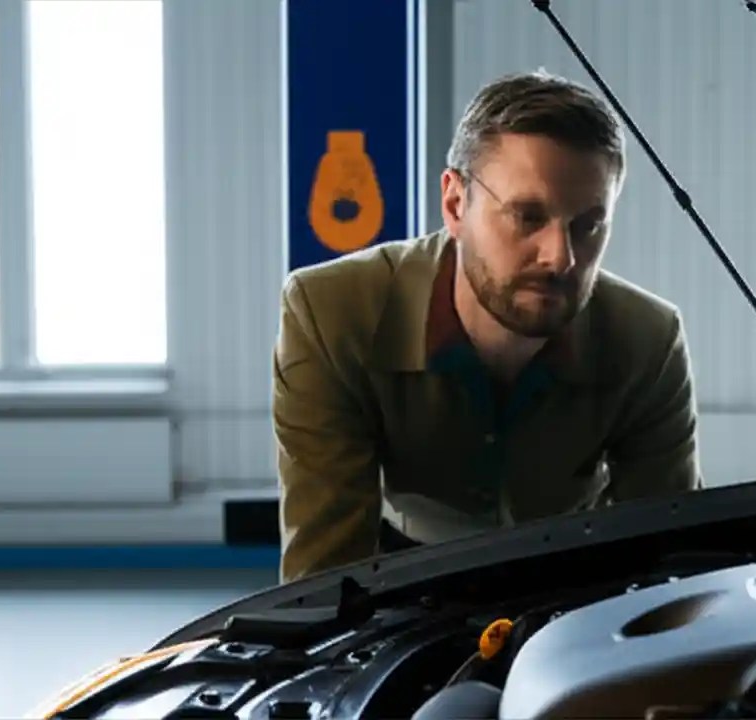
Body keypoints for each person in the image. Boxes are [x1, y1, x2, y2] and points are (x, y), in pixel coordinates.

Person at [273, 70, 703, 583]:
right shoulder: (333, 314)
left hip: (574, 575)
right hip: (402, 574)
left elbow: (669, 557)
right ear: (455, 205)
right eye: (527, 216)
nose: (560, 258)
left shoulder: (648, 342)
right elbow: (323, 576)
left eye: (587, 225)